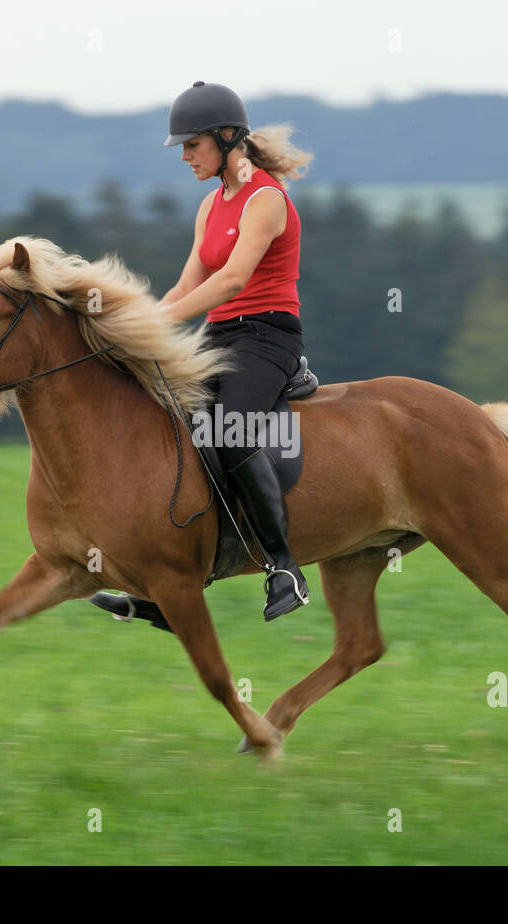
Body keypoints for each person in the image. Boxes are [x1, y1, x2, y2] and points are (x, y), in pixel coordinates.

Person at [90, 80, 315, 627]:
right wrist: (138, 326)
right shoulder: (211, 205)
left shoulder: (266, 200)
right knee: (162, 422)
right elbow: (188, 283)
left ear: (227, 138)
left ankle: (284, 568)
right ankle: (164, 587)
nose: (185, 156)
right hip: (219, 336)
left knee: (228, 429)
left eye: (193, 145)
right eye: (183, 147)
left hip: (267, 338)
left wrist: (165, 321)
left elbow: (234, 280)